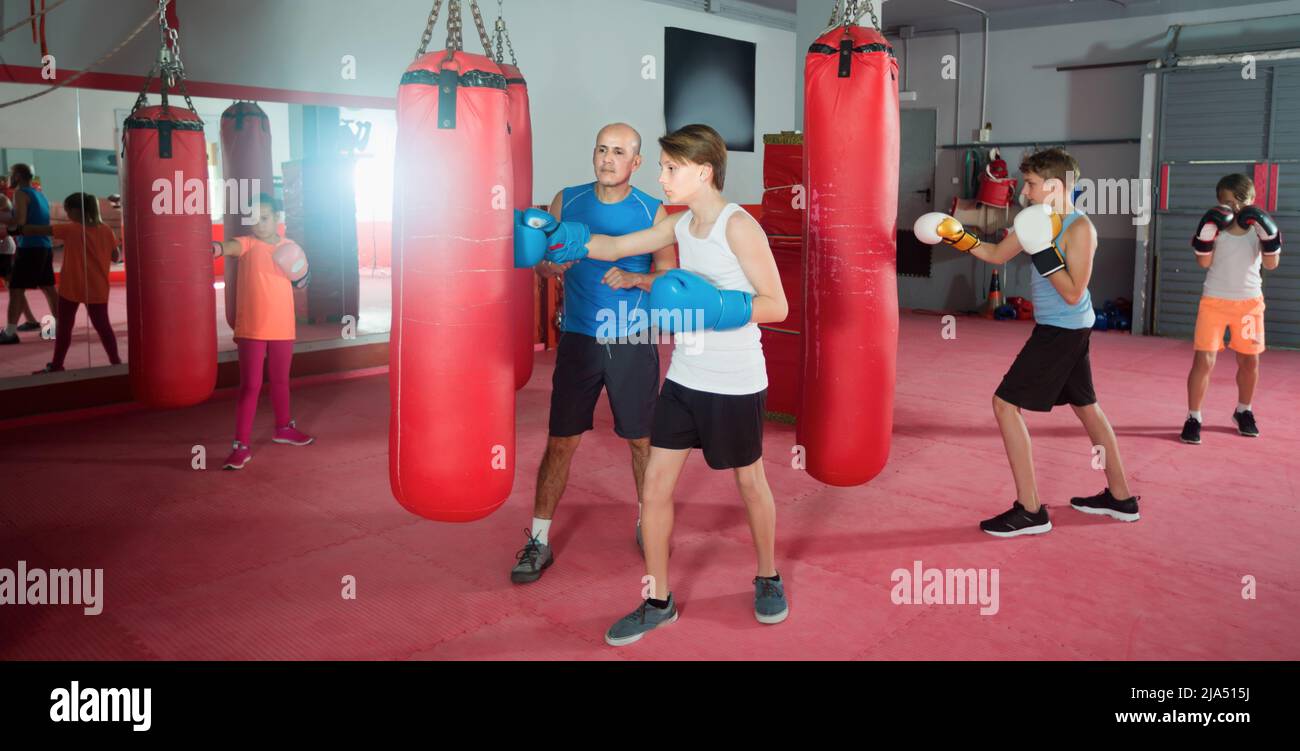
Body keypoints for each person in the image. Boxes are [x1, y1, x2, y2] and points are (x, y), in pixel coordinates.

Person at [541, 123, 789, 646]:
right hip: (685, 376)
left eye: (670, 168)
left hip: (735, 380)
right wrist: (563, 237)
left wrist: (716, 305)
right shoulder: (678, 224)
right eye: (659, 166)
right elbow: (614, 246)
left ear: (702, 172)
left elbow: (777, 304)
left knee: (749, 483)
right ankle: (658, 599)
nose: (660, 176)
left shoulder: (738, 227)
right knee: (654, 488)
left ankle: (768, 575)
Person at [914, 147, 1140, 536]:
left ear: (1054, 185)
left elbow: (1072, 292)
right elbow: (997, 254)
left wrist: (1043, 251)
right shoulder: (1037, 221)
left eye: (1033, 184)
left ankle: (1030, 509)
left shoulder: (1079, 228)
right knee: (1087, 408)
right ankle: (1121, 498)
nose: (1026, 191)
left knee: (1004, 404)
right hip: (1061, 327)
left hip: (1064, 330)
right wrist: (957, 236)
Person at [509, 123, 677, 584]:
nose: (607, 158)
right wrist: (548, 266)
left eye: (619, 152)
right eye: (601, 148)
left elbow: (669, 280)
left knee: (641, 443)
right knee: (560, 442)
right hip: (579, 341)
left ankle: (648, 524)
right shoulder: (567, 200)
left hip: (632, 342)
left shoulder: (652, 211)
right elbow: (545, 267)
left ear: (635, 163)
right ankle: (538, 540)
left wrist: (635, 279)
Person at [212, 193, 314, 469]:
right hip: (253, 328)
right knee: (251, 385)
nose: (259, 223)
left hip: (283, 327)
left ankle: (283, 428)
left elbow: (302, 283)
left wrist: (302, 274)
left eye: (265, 217)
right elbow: (228, 246)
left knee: (281, 381)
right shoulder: (247, 244)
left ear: (277, 218)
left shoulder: (290, 246)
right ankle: (240, 445)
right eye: (254, 218)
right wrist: (214, 248)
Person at [1181, 174, 1282, 444]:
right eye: (1228, 201)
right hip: (1214, 301)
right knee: (1204, 361)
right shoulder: (1215, 226)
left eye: (1241, 201)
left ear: (1251, 201)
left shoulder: (1259, 226)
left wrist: (1268, 236)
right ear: (1219, 202)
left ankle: (1243, 411)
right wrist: (1206, 235)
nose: (1235, 207)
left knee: (1250, 360)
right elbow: (1203, 264)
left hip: (1249, 304)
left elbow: (1271, 265)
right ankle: (1194, 417)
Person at [4, 193, 122, 372]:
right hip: (97, 288)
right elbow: (116, 257)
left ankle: (57, 365)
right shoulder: (106, 230)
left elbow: (38, 230)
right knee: (104, 328)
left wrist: (13, 230)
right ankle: (116, 364)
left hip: (71, 288)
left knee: (64, 329)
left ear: (75, 211)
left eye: (67, 211)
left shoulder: (71, 229)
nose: (67, 215)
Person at [1, 164, 57, 344]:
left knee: (16, 289)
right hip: (44, 246)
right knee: (48, 288)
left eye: (11, 174)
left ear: (17, 175)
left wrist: (2, 218)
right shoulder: (40, 194)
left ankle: (9, 333)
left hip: (30, 247)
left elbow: (20, 221)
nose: (9, 177)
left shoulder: (20, 194)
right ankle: (58, 328)